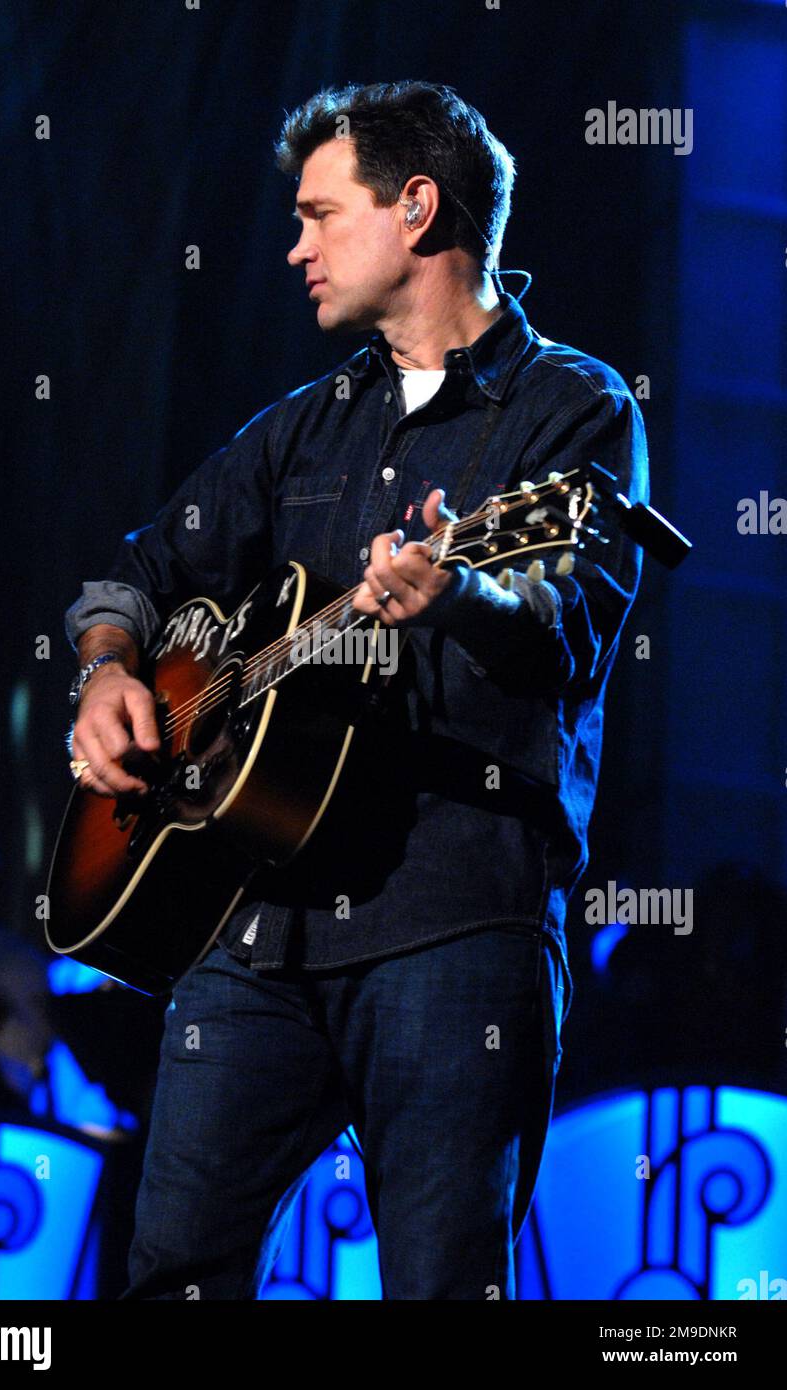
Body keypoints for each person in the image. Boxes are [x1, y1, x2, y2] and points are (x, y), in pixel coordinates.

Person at [64, 81, 648, 1300]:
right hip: (252, 928)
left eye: (319, 215)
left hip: (451, 927)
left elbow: (570, 624)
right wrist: (111, 670)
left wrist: (461, 597)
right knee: (169, 1272)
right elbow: (137, 568)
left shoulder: (572, 410)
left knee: (436, 1284)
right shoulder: (298, 430)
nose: (295, 247)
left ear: (415, 208)